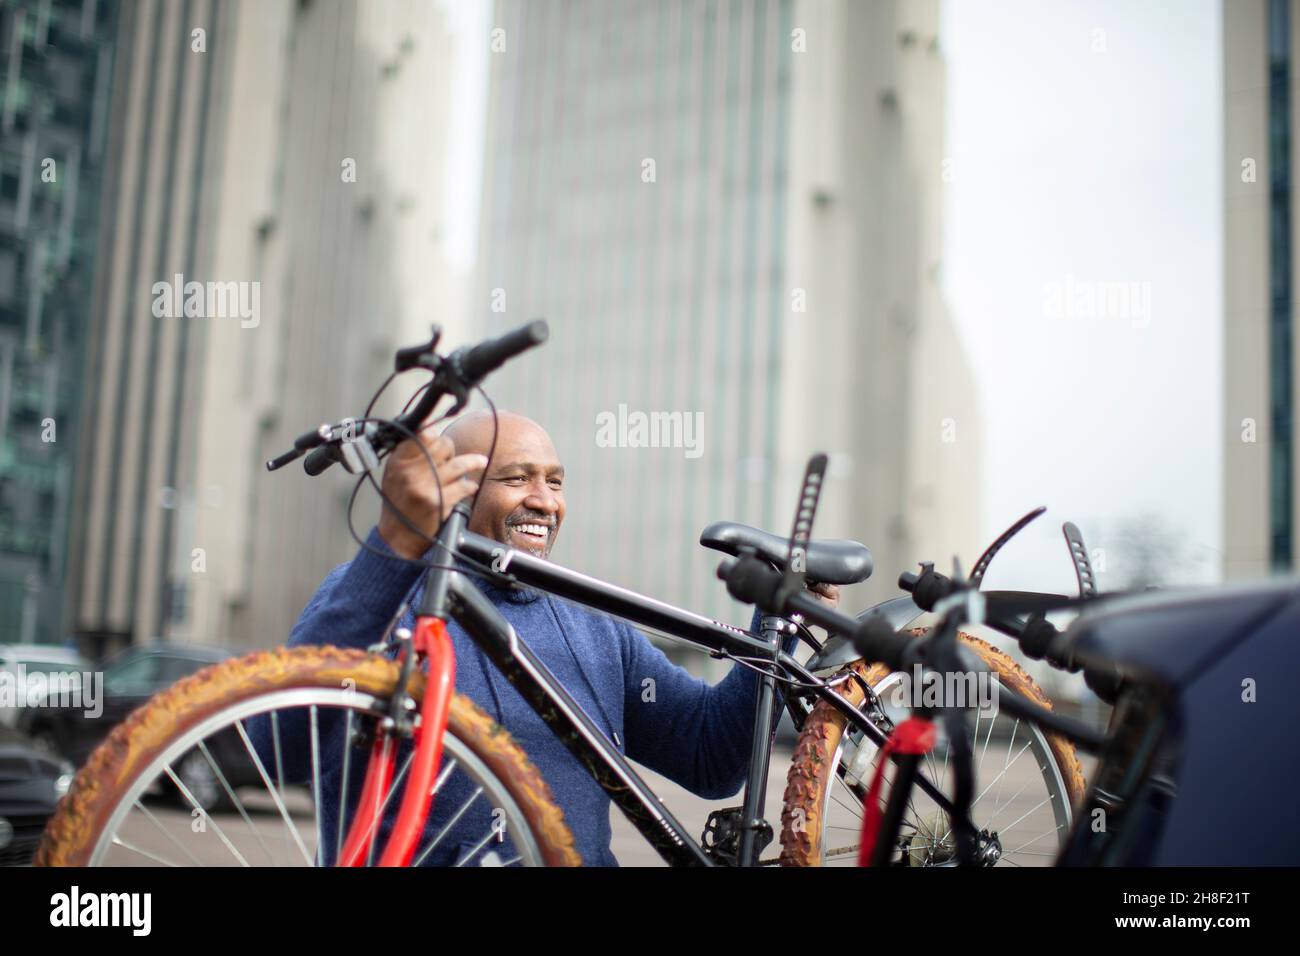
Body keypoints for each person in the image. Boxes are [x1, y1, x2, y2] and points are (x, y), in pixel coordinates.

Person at [264, 409, 837, 866]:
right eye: (516, 478)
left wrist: (773, 628)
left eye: (555, 481)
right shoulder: (382, 593)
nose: (544, 500)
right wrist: (390, 550)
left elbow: (708, 757)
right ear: (455, 490)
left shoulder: (594, 624)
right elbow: (279, 748)